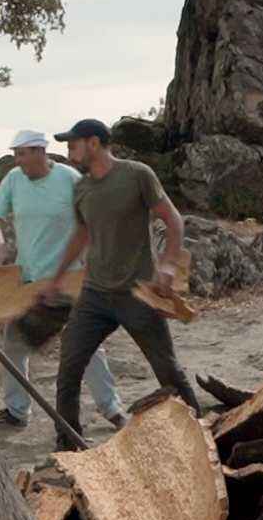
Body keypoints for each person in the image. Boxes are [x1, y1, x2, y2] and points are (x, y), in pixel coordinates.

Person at [37, 118, 202, 451]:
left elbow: (173, 220)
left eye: (73, 144)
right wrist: (56, 278)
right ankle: (68, 445)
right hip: (95, 295)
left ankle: (199, 434)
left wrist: (168, 265)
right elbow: (82, 234)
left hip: (137, 293)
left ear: (94, 143)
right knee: (68, 368)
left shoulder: (136, 175)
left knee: (167, 369)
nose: (69, 151)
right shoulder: (81, 188)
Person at [0, 130, 127, 430]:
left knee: (87, 345)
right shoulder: (13, 180)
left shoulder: (69, 178)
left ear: (39, 152)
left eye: (22, 154)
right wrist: (0, 244)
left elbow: (92, 217)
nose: (17, 160)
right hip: (27, 279)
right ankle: (16, 411)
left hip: (68, 279)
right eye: (15, 155)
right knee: (14, 344)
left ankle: (111, 408)